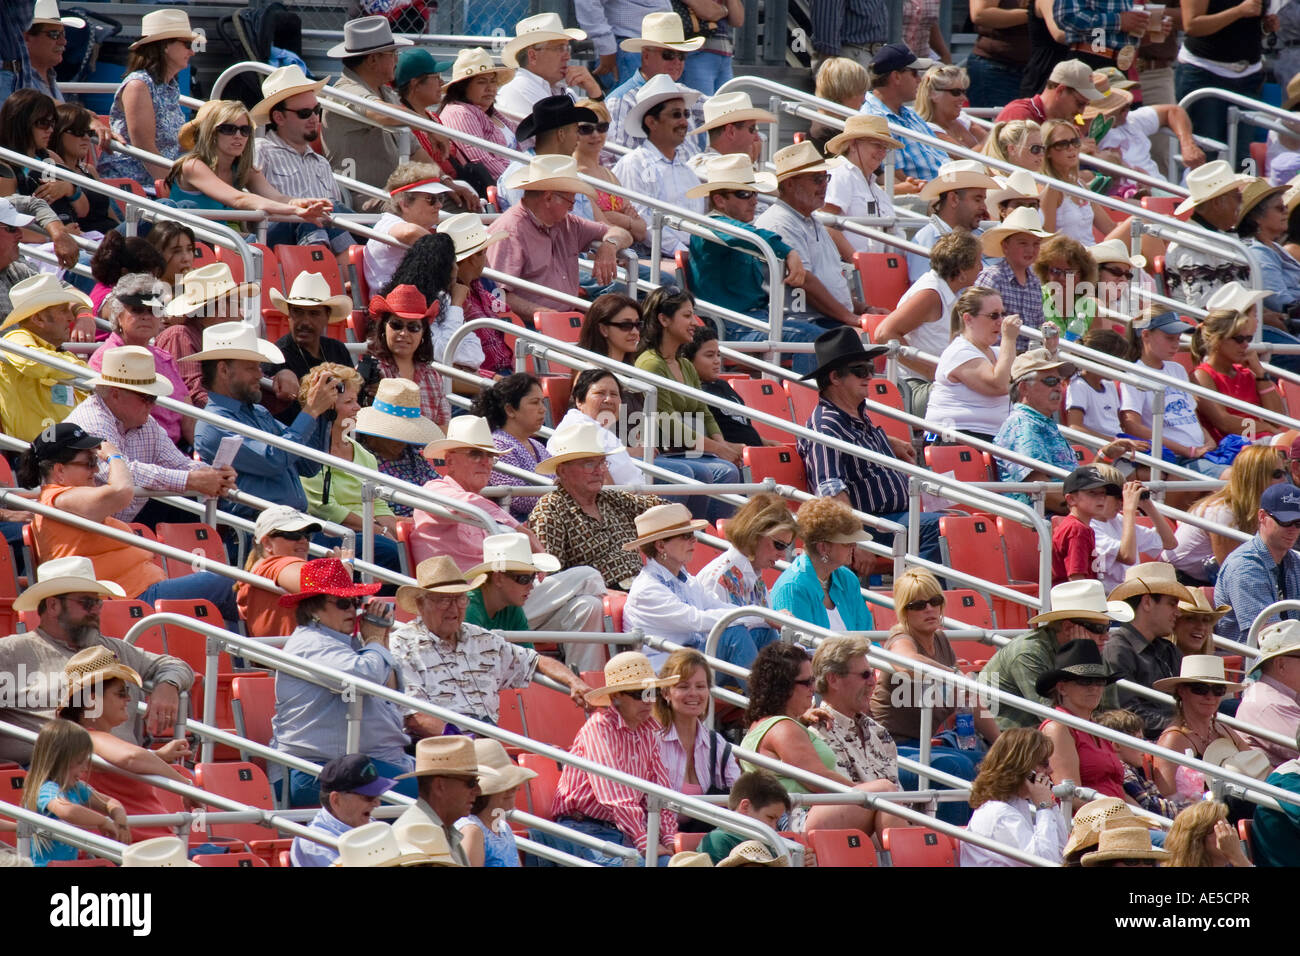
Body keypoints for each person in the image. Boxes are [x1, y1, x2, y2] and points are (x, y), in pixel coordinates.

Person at [17, 424, 239, 622]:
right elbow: (122, 492)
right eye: (90, 463)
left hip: (138, 594)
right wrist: (114, 457)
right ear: (60, 470)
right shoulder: (60, 499)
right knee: (227, 585)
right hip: (129, 600)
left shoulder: (67, 499)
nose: (96, 470)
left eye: (96, 462)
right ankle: (266, 654)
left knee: (236, 585)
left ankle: (254, 657)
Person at [0, 554, 194, 767]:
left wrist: (168, 686)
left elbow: (174, 665)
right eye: (87, 602)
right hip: (55, 773)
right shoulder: (10, 653)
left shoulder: (114, 649)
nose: (96, 610)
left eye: (98, 602)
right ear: (53, 605)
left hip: (130, 771)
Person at [390, 555, 593, 735]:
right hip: (440, 750)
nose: (454, 609)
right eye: (443, 600)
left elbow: (536, 661)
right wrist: (467, 743)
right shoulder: (402, 646)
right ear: (420, 604)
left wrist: (574, 681)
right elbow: (415, 718)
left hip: (488, 740)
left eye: (460, 599)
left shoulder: (481, 638)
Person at [271, 557, 415, 805]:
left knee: (450, 783)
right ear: (314, 608)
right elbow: (364, 678)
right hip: (312, 772)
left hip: (356, 764)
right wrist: (374, 641)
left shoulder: (344, 642)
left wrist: (381, 638)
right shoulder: (310, 643)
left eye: (356, 602)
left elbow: (389, 690)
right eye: (343, 603)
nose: (353, 610)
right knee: (431, 794)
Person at [796, 328, 944, 563]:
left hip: (896, 520)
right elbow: (830, 492)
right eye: (860, 370)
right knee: (939, 527)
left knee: (958, 521)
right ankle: (920, 596)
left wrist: (886, 442)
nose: (869, 376)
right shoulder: (825, 426)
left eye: (870, 369)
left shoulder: (856, 415)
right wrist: (856, 539)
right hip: (872, 525)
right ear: (835, 378)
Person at [741, 642, 898, 836]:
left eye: (813, 680)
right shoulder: (782, 728)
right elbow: (819, 780)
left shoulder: (775, 725)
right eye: (806, 682)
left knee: (886, 801)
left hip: (805, 814)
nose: (813, 687)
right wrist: (865, 794)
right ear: (783, 686)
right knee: (886, 791)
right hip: (796, 818)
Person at [684, 154, 822, 374]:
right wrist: (788, 251)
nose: (754, 200)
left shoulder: (737, 231)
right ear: (719, 200)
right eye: (744, 194)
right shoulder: (710, 226)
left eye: (755, 193)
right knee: (812, 338)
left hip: (754, 320)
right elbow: (747, 236)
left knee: (831, 337)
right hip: (731, 326)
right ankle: (806, 402)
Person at [190, 322, 336, 525]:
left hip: (291, 524)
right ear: (223, 370)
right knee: (380, 551)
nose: (260, 374)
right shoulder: (211, 426)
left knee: (377, 549)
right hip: (258, 530)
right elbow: (274, 459)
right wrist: (311, 410)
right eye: (251, 367)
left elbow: (309, 464)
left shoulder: (259, 412)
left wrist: (321, 412)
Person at [65, 345, 232, 523]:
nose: (152, 405)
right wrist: (191, 479)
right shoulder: (90, 421)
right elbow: (119, 471)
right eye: (146, 397)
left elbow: (179, 463)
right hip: (81, 528)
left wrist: (213, 475)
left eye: (154, 398)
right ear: (115, 394)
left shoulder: (146, 423)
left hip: (112, 526)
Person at [544, 651, 682, 865]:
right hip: (583, 830)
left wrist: (669, 840)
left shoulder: (647, 731)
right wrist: (646, 842)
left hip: (619, 832)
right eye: (639, 693)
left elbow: (660, 792)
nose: (648, 701)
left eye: (652, 692)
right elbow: (616, 794)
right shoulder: (599, 728)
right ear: (616, 697)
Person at [870, 569, 999, 793]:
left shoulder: (940, 640)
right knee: (957, 768)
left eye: (934, 601)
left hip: (921, 745)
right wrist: (954, 676)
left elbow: (967, 696)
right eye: (918, 605)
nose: (929, 609)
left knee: (992, 764)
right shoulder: (900, 638)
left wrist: (1000, 743)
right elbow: (908, 662)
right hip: (888, 747)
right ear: (904, 611)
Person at [54, 648, 190, 843]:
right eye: (121, 693)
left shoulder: (85, 740)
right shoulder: (88, 738)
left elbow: (118, 766)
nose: (129, 698)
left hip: (153, 850)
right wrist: (186, 786)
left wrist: (156, 756)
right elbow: (131, 758)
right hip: (145, 853)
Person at [634, 286, 743, 522]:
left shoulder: (685, 365)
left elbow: (704, 412)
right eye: (686, 315)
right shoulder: (650, 364)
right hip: (663, 450)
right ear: (663, 319)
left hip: (688, 451)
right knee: (713, 471)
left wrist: (722, 444)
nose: (694, 322)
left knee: (731, 468)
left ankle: (714, 538)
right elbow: (667, 423)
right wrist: (718, 450)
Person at [486, 155, 633, 320]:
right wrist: (542, 313)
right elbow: (496, 294)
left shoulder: (568, 223)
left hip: (564, 320)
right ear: (548, 198)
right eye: (570, 200)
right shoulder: (509, 232)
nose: (572, 207)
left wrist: (609, 245)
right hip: (530, 329)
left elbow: (622, 234)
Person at [977, 579, 1133, 731]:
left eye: (1108, 627)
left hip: (1051, 736)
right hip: (1009, 742)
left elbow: (1110, 712)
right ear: (1067, 627)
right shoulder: (1028, 652)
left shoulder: (1090, 650)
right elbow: (1050, 715)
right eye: (1098, 628)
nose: (1106, 636)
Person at [623, 502, 761, 672]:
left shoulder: (687, 580)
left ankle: (778, 695)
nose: (694, 539)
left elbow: (717, 607)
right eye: (686, 535)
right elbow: (697, 620)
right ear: (660, 546)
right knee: (736, 633)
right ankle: (766, 697)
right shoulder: (646, 589)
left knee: (760, 633)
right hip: (667, 673)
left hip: (691, 662)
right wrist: (758, 615)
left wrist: (760, 618)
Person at [530, 419, 666, 590]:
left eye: (602, 463)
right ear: (562, 470)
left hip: (642, 586)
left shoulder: (613, 498)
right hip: (596, 598)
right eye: (589, 464)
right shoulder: (549, 510)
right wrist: (602, 594)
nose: (599, 470)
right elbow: (551, 579)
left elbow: (664, 509)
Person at [994, 349, 1134, 513]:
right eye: (1050, 381)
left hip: (1067, 517)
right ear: (1024, 388)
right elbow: (1043, 493)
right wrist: (1097, 510)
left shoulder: (1041, 422)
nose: (1059, 388)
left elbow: (1075, 485)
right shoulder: (1023, 425)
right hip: (1045, 524)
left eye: (1060, 381)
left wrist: (1104, 456)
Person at [296, 363, 404, 577]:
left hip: (369, 533)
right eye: (349, 402)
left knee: (409, 547)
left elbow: (378, 505)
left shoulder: (365, 455)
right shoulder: (308, 451)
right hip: (332, 535)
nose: (358, 408)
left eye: (357, 401)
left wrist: (396, 532)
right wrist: (378, 531)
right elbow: (325, 508)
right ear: (327, 409)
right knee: (391, 552)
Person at [164, 99, 333, 234]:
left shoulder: (244, 169)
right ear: (211, 133)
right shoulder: (192, 166)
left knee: (325, 215)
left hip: (229, 241)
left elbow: (277, 198)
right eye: (229, 129)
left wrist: (303, 203)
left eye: (244, 130)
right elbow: (239, 199)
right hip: (195, 244)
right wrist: (294, 210)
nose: (238, 136)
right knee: (303, 224)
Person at [809, 635, 915, 836]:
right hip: (845, 841)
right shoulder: (814, 732)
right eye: (865, 675)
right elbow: (841, 803)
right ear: (833, 679)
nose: (873, 682)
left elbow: (899, 798)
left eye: (873, 675)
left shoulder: (879, 732)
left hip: (886, 833)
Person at [875, 229, 985, 417]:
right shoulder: (930, 295)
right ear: (961, 272)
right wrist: (935, 372)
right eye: (977, 262)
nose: (982, 268)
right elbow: (884, 334)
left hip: (934, 384)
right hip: (912, 386)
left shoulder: (948, 293)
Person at [754, 142, 865, 327]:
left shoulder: (810, 220)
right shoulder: (779, 222)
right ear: (789, 184)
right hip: (806, 322)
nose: (824, 186)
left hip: (825, 319)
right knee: (873, 343)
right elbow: (805, 281)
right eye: (816, 179)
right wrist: (851, 318)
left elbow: (828, 283)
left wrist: (863, 309)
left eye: (825, 178)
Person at [466, 531, 607, 673]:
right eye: (523, 579)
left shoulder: (512, 606)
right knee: (588, 577)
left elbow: (531, 661)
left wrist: (572, 681)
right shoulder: (468, 609)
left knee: (590, 605)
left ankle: (590, 688)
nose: (532, 586)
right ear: (498, 579)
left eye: (533, 577)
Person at [252, 65, 357, 253]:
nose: (314, 118)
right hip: (277, 243)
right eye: (304, 113)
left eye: (317, 110)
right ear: (278, 117)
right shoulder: (260, 150)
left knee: (327, 212)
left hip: (320, 239)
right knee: (318, 213)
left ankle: (345, 265)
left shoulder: (322, 163)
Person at [96, 10, 196, 189]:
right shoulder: (138, 85)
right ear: (165, 46)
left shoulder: (169, 85)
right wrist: (177, 190)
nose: (192, 52)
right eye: (187, 44)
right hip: (131, 188)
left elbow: (168, 144)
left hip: (156, 183)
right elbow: (145, 149)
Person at [1119, 308, 1226, 477]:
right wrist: (1187, 450)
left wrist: (1208, 440)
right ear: (1145, 335)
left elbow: (1191, 414)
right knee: (1234, 477)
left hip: (1201, 453)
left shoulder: (1177, 369)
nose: (1176, 344)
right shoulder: (1133, 374)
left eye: (1178, 338)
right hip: (1176, 459)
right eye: (1169, 338)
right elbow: (1132, 426)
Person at [87, 275, 192, 447]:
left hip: (176, 450)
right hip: (135, 450)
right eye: (136, 309)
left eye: (153, 310)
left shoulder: (164, 359)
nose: (146, 316)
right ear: (118, 315)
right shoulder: (105, 360)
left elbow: (189, 418)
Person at [612, 74, 706, 256]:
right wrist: (682, 253)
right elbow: (644, 224)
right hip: (650, 257)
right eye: (676, 115)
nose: (684, 122)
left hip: (686, 256)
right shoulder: (634, 164)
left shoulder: (688, 172)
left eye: (685, 114)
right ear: (651, 122)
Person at [697, 492, 797, 652]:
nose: (782, 554)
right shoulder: (720, 576)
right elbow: (717, 638)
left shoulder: (755, 575)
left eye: (787, 547)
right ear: (755, 536)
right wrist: (770, 618)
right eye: (779, 545)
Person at [1103, 562, 1194, 738]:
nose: (1178, 612)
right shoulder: (1117, 650)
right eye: (1172, 604)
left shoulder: (1169, 650)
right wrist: (1184, 727)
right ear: (1147, 602)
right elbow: (1127, 716)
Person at [322, 16, 412, 192]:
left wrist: (447, 182)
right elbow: (384, 114)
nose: (396, 61)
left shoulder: (385, 93)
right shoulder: (345, 90)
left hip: (396, 196)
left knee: (465, 206)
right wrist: (430, 127)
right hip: (365, 198)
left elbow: (415, 150)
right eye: (393, 54)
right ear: (372, 60)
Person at [22, 719, 129, 865]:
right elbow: (67, 811)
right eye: (79, 762)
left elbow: (110, 802)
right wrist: (102, 821)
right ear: (57, 759)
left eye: (85, 761)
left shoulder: (75, 788)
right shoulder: (45, 788)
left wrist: (120, 822)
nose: (85, 768)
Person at [158, 262, 264, 410]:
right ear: (215, 309)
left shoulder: (223, 339)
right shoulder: (180, 335)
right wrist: (237, 417)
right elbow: (195, 397)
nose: (240, 312)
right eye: (232, 302)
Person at [1037, 639, 1130, 807]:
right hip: (1088, 825)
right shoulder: (1057, 728)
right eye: (1085, 681)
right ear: (1062, 688)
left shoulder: (1096, 727)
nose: (1094, 688)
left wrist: (1149, 819)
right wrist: (1123, 814)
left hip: (1116, 817)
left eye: (1099, 681)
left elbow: (1117, 790)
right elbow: (1070, 796)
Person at [1176, 0, 1267, 169]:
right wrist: (1239, 11)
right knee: (1205, 155)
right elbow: (1191, 25)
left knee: (1242, 157)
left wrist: (1265, 27)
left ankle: (1241, 196)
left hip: (1250, 77)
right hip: (1204, 73)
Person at [0, 273, 90, 442]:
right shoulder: (16, 338)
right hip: (37, 456)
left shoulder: (61, 355)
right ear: (38, 319)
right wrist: (85, 370)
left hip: (67, 448)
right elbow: (31, 361)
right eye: (63, 310)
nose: (71, 318)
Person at [924, 286, 1020, 445]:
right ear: (968, 319)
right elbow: (999, 385)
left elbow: (1031, 380)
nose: (1001, 322)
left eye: (1003, 314)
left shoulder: (997, 353)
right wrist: (1009, 339)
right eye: (993, 315)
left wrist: (1050, 350)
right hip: (953, 438)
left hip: (989, 437)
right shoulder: (960, 351)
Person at [961, 727, 1069, 866]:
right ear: (1022, 768)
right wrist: (1044, 807)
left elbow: (1062, 854)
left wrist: (1051, 805)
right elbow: (1044, 862)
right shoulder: (999, 814)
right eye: (1044, 763)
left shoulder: (1016, 804)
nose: (1050, 770)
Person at [605, 13, 709, 155]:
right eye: (669, 55)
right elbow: (617, 160)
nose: (677, 62)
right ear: (646, 56)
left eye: (681, 55)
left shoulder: (683, 92)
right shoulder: (620, 102)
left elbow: (721, 112)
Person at [261, 271, 355, 426]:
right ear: (289, 315)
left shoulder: (337, 349)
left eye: (313, 314)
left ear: (327, 317)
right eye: (298, 312)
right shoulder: (275, 357)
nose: (305, 322)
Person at [769, 495, 876, 631]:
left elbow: (868, 637)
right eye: (847, 543)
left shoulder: (848, 579)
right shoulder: (792, 587)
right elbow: (800, 649)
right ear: (823, 548)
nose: (854, 546)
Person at [1215, 483, 1300, 646]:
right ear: (1262, 516)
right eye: (1285, 521)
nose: (1293, 530)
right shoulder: (1244, 567)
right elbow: (1270, 636)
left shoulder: (1292, 561)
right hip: (1250, 665)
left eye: (1299, 523)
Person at [1152, 655, 1248, 797]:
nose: (1210, 696)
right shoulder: (1172, 740)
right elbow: (1168, 798)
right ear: (1181, 691)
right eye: (1200, 689)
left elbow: (1257, 765)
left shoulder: (1223, 730)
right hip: (1199, 817)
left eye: (1218, 690)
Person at [654, 649, 741, 806]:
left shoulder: (717, 743)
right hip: (657, 829)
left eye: (700, 686)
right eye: (683, 686)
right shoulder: (652, 741)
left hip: (705, 830)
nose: (693, 693)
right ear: (666, 693)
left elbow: (739, 797)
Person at [359, 283, 450, 429]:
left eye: (413, 327)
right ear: (383, 328)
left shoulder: (433, 376)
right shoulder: (368, 371)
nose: (404, 333)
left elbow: (444, 428)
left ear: (423, 334)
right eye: (396, 325)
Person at [1190, 306, 1286, 444]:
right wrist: (1266, 428)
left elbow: (1276, 419)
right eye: (1239, 339)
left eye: (1249, 338)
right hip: (1236, 447)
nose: (1246, 345)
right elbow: (1225, 422)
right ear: (1217, 340)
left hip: (1262, 440)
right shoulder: (1202, 375)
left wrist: (1260, 373)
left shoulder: (1248, 372)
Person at [1164, 162, 1251, 308]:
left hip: (1239, 321)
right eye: (1237, 197)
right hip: (1217, 327)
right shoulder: (1191, 245)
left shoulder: (1224, 234)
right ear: (1218, 202)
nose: (1241, 203)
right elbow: (1205, 309)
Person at [496, 96, 599, 219]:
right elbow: (535, 227)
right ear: (561, 134)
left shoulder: (566, 170)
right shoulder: (521, 175)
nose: (578, 137)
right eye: (576, 131)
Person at [858, 43, 948, 181]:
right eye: (914, 73)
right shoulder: (873, 119)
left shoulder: (907, 113)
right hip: (931, 195)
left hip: (948, 188)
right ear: (896, 77)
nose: (919, 79)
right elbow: (896, 177)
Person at [391, 735, 484, 867]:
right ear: (439, 786)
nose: (478, 791)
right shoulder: (415, 836)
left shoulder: (443, 832)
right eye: (471, 783)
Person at [290, 753, 397, 867]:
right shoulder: (314, 844)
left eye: (377, 795)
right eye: (369, 796)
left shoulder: (370, 825)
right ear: (336, 800)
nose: (377, 803)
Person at [493, 12, 602, 124]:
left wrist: (594, 90)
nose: (567, 56)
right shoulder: (519, 89)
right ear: (533, 56)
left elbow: (604, 134)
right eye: (560, 49)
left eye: (567, 49)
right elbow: (569, 136)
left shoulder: (563, 90)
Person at [0, 89, 88, 227]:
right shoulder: (4, 167)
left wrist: (68, 188)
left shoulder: (50, 157)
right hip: (36, 244)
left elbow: (83, 210)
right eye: (43, 123)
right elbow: (6, 226)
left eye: (53, 123)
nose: (50, 130)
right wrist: (57, 235)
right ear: (21, 122)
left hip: (69, 234)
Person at [363, 163, 453, 294]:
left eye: (440, 198)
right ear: (405, 204)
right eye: (430, 199)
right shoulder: (388, 223)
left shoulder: (425, 228)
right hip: (395, 309)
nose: (439, 205)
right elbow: (408, 232)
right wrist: (448, 252)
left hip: (420, 301)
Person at [821, 114, 903, 258]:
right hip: (849, 271)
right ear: (853, 144)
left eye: (885, 148)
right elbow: (826, 222)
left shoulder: (875, 187)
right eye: (877, 145)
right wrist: (857, 262)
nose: (882, 152)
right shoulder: (840, 173)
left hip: (871, 268)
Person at [570, 97, 650, 246]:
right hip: (603, 251)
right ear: (572, 132)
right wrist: (629, 221)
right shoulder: (575, 174)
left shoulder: (609, 174)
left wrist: (621, 219)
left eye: (602, 127)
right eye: (586, 129)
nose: (595, 134)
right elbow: (603, 227)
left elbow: (642, 231)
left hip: (627, 248)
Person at [472, 373, 551, 522]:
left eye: (542, 402)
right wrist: (559, 495)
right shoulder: (496, 445)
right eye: (535, 403)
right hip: (513, 527)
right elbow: (519, 498)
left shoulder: (538, 446)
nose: (543, 409)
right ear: (510, 410)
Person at [1087, 464, 1177, 593]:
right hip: (1110, 598)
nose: (1122, 502)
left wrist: (1148, 505)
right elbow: (1127, 556)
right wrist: (1129, 510)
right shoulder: (1090, 526)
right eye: (1119, 496)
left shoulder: (1116, 520)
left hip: (1133, 593)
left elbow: (1169, 543)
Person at [683, 327, 779, 447]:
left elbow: (741, 425)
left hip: (754, 453)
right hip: (729, 458)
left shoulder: (723, 385)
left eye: (718, 355)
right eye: (709, 355)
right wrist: (729, 447)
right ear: (688, 360)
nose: (717, 361)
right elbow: (696, 439)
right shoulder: (691, 393)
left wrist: (764, 442)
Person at [238, 505, 323, 639]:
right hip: (293, 655)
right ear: (267, 543)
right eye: (293, 534)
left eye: (306, 534)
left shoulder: (267, 566)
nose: (303, 540)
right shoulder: (271, 564)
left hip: (300, 652)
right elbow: (317, 584)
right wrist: (345, 566)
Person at [904, 159, 997, 282]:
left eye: (983, 200)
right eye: (977, 199)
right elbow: (927, 295)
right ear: (953, 199)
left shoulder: (982, 236)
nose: (984, 207)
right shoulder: (925, 241)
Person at [548, 369, 642, 485]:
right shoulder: (579, 429)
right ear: (579, 401)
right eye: (600, 393)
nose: (608, 400)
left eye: (614, 394)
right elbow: (606, 490)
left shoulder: (599, 430)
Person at [437, 48, 517, 182]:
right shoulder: (459, 113)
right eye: (482, 82)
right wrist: (517, 182)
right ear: (463, 86)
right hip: (502, 187)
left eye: (493, 81)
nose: (490, 88)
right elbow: (479, 157)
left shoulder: (493, 113)